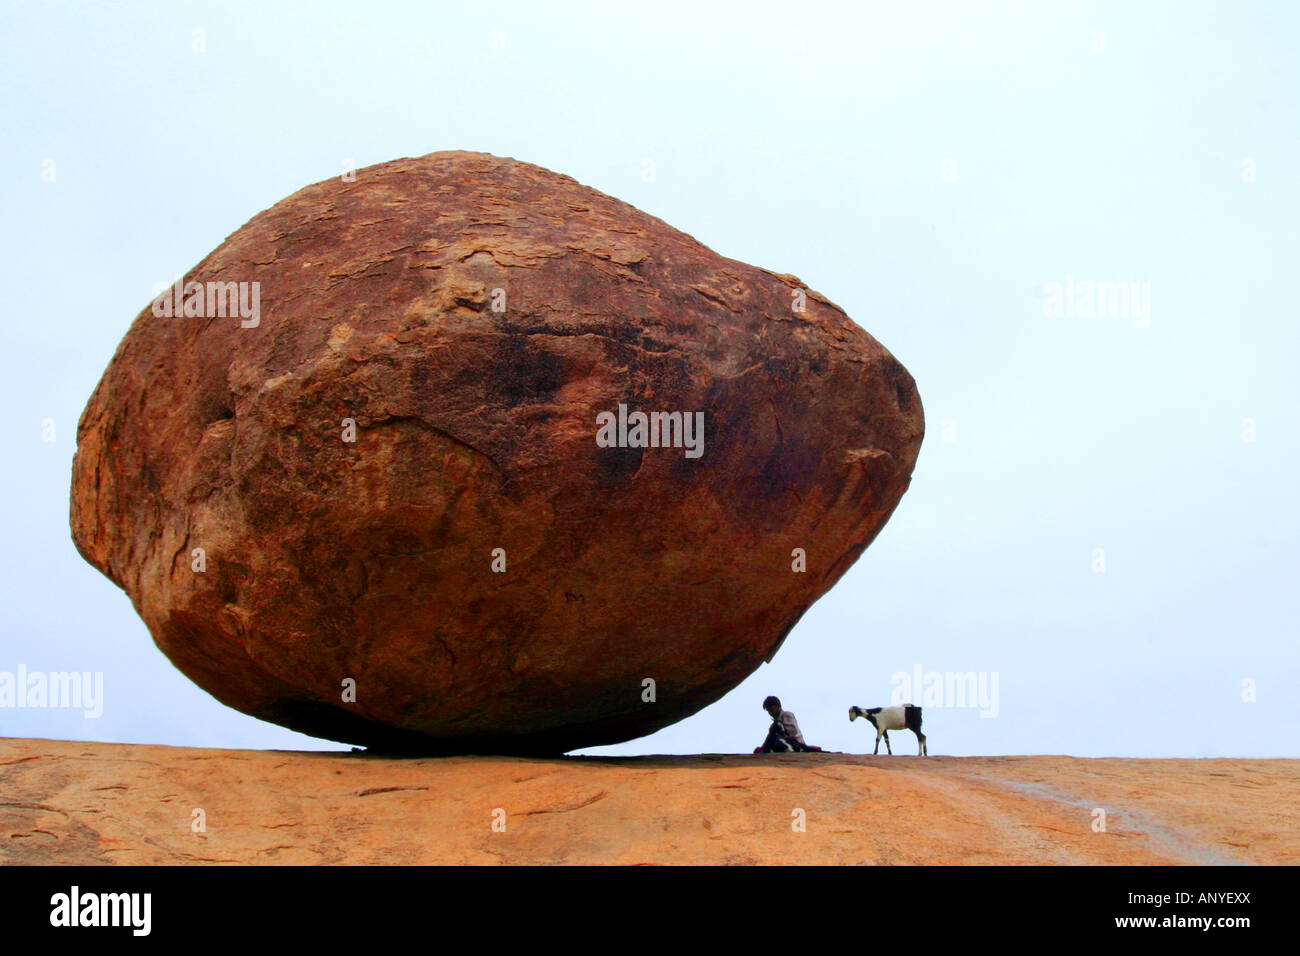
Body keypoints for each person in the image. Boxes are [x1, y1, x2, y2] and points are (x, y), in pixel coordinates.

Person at [754, 695, 823, 753]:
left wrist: (778, 729)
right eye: (768, 711)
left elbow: (792, 733)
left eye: (772, 709)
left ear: (778, 706)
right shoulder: (775, 724)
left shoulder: (786, 715)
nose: (770, 713)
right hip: (785, 743)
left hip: (796, 744)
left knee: (777, 741)